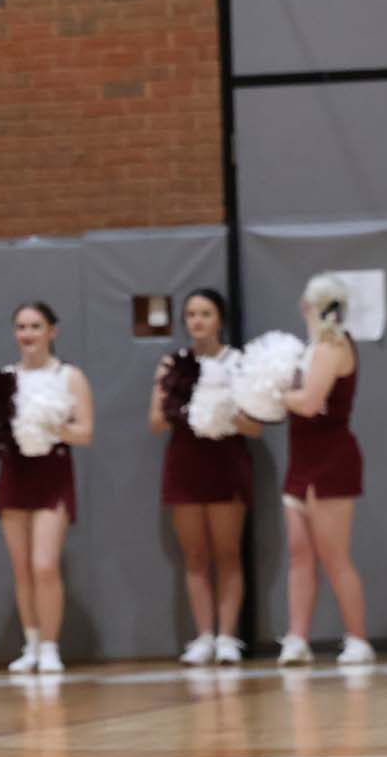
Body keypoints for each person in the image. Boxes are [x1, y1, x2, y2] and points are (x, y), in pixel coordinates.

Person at [148, 289, 262, 666]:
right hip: (185, 462)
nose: (197, 321)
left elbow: (256, 427)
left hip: (226, 460)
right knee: (194, 555)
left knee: (227, 552)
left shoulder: (238, 362)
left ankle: (229, 637)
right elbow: (154, 422)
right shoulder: (171, 364)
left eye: (206, 313)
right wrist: (181, 403)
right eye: (191, 314)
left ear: (220, 319)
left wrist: (225, 412)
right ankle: (204, 636)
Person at [278, 274, 374, 666]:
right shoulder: (311, 348)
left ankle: (358, 639)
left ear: (311, 305)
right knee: (299, 552)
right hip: (301, 457)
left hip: (331, 458)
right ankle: (297, 638)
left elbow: (309, 401)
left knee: (335, 555)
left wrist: (271, 393)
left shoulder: (333, 347)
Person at [0, 302, 93, 674]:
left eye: (36, 325)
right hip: (14, 474)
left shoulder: (69, 376)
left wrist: (47, 425)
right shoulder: (4, 378)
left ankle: (51, 646)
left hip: (52, 474)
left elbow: (84, 431)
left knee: (44, 565)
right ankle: (31, 644)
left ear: (52, 330)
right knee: (22, 567)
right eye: (21, 326)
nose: (28, 333)